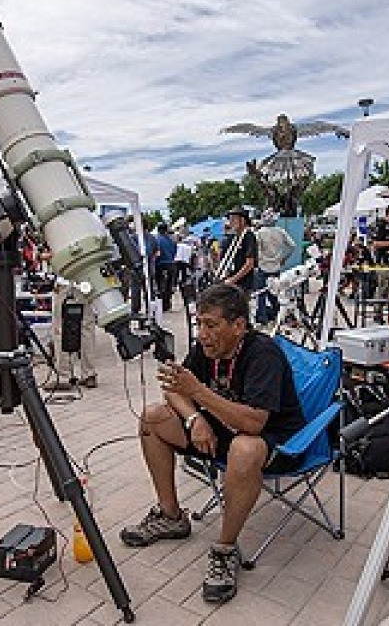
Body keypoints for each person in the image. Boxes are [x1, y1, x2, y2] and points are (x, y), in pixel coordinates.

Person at [120, 283, 304, 604]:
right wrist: (195, 419)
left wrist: (200, 393)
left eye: (211, 325)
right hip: (219, 433)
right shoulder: (208, 349)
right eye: (200, 323)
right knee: (152, 417)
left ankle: (225, 548)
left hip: (273, 443)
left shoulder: (263, 354)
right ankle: (171, 516)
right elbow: (175, 390)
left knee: (244, 448)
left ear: (238, 326)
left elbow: (254, 423)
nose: (202, 334)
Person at [253, 210, 296, 326]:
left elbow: (255, 249)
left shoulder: (260, 233)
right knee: (275, 292)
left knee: (261, 295)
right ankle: (278, 313)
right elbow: (292, 246)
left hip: (263, 267)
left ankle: (262, 318)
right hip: (276, 267)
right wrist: (284, 258)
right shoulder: (281, 232)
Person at [215, 207, 258, 293]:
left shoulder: (248, 236)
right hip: (227, 282)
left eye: (233, 219)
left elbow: (249, 263)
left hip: (241, 285)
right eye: (230, 219)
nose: (230, 222)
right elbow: (222, 258)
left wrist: (233, 280)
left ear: (242, 220)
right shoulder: (233, 237)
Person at [154, 222, 177, 312]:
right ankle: (167, 304)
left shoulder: (156, 240)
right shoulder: (171, 240)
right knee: (169, 285)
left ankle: (162, 305)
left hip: (160, 265)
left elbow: (156, 254)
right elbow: (174, 252)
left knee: (160, 285)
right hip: (171, 264)